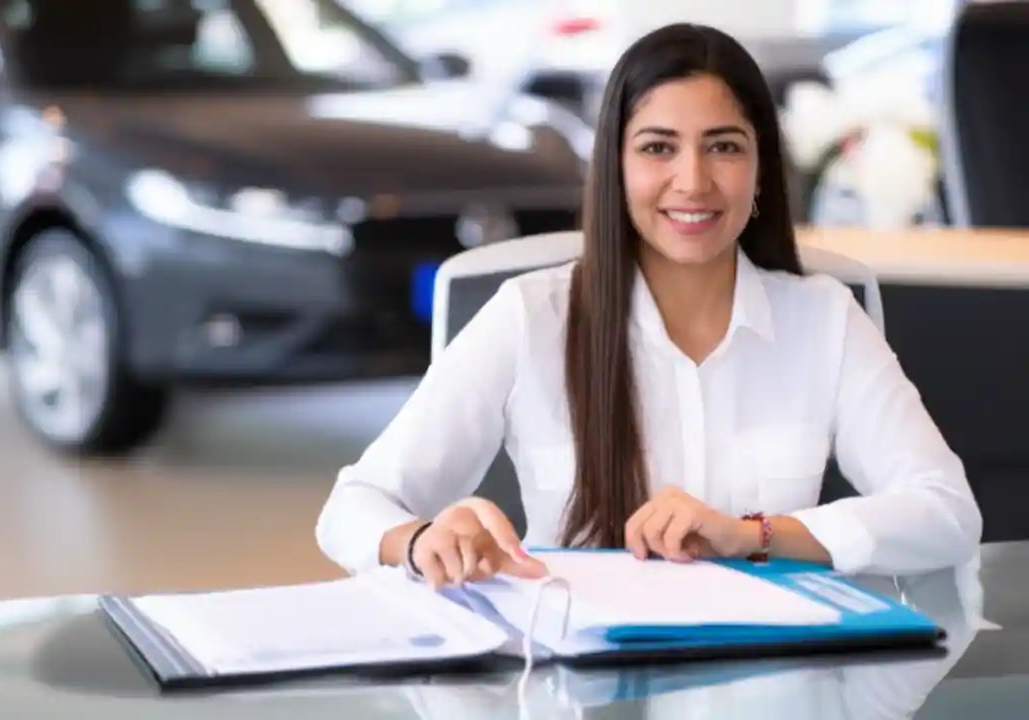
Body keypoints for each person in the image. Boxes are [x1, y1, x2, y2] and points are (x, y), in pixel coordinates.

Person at [315, 23, 982, 589]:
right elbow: (351, 508)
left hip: (772, 682)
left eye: (724, 146)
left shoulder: (824, 317)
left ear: (760, 171)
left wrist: (751, 535)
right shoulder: (530, 317)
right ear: (616, 166)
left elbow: (948, 515)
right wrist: (420, 539)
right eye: (658, 147)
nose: (692, 181)